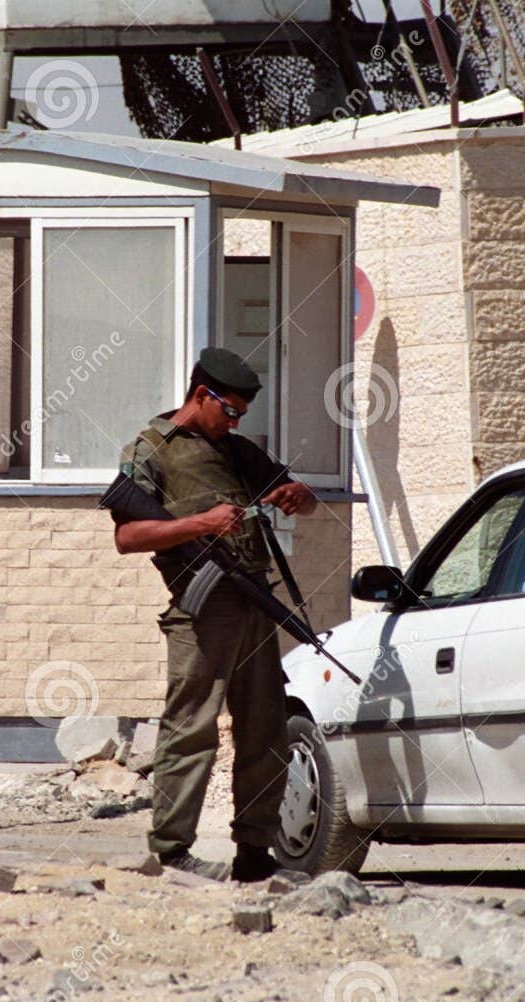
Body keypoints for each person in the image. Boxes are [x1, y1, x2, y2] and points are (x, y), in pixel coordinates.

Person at [109, 347, 317, 882]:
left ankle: (255, 852)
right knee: (191, 730)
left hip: (253, 602)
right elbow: (127, 536)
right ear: (201, 395)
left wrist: (298, 495)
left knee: (265, 729)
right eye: (229, 411)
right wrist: (200, 524)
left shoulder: (236, 451)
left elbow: (301, 497)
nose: (235, 422)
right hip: (201, 612)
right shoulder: (151, 450)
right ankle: (172, 850)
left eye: (242, 414)